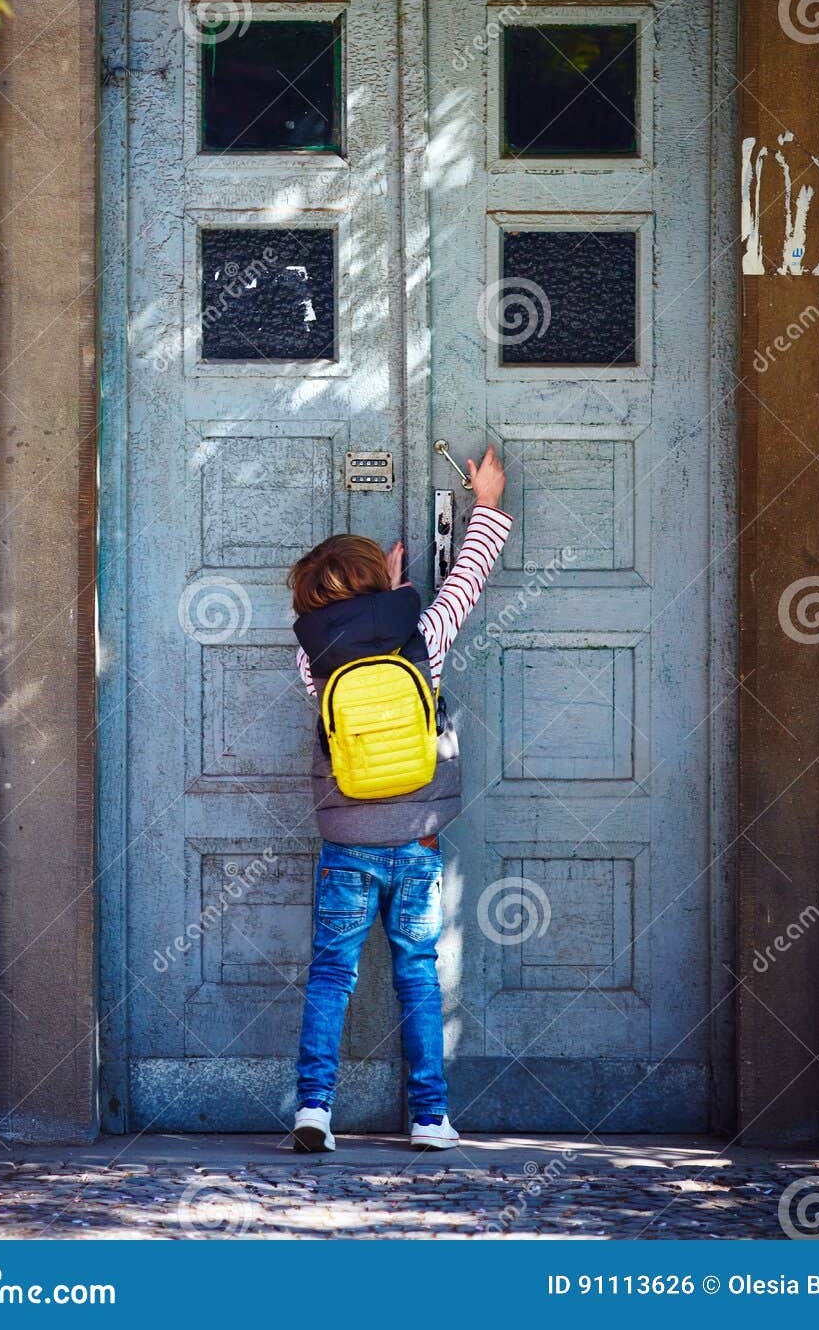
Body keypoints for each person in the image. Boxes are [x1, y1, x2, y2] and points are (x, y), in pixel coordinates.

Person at [288, 445, 511, 1151]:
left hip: (346, 846)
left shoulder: (314, 660)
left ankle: (314, 1113)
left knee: (331, 974)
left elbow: (346, 630)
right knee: (417, 973)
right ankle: (429, 1118)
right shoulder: (424, 640)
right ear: (380, 584)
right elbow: (466, 582)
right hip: (415, 842)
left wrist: (369, 594)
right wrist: (488, 505)